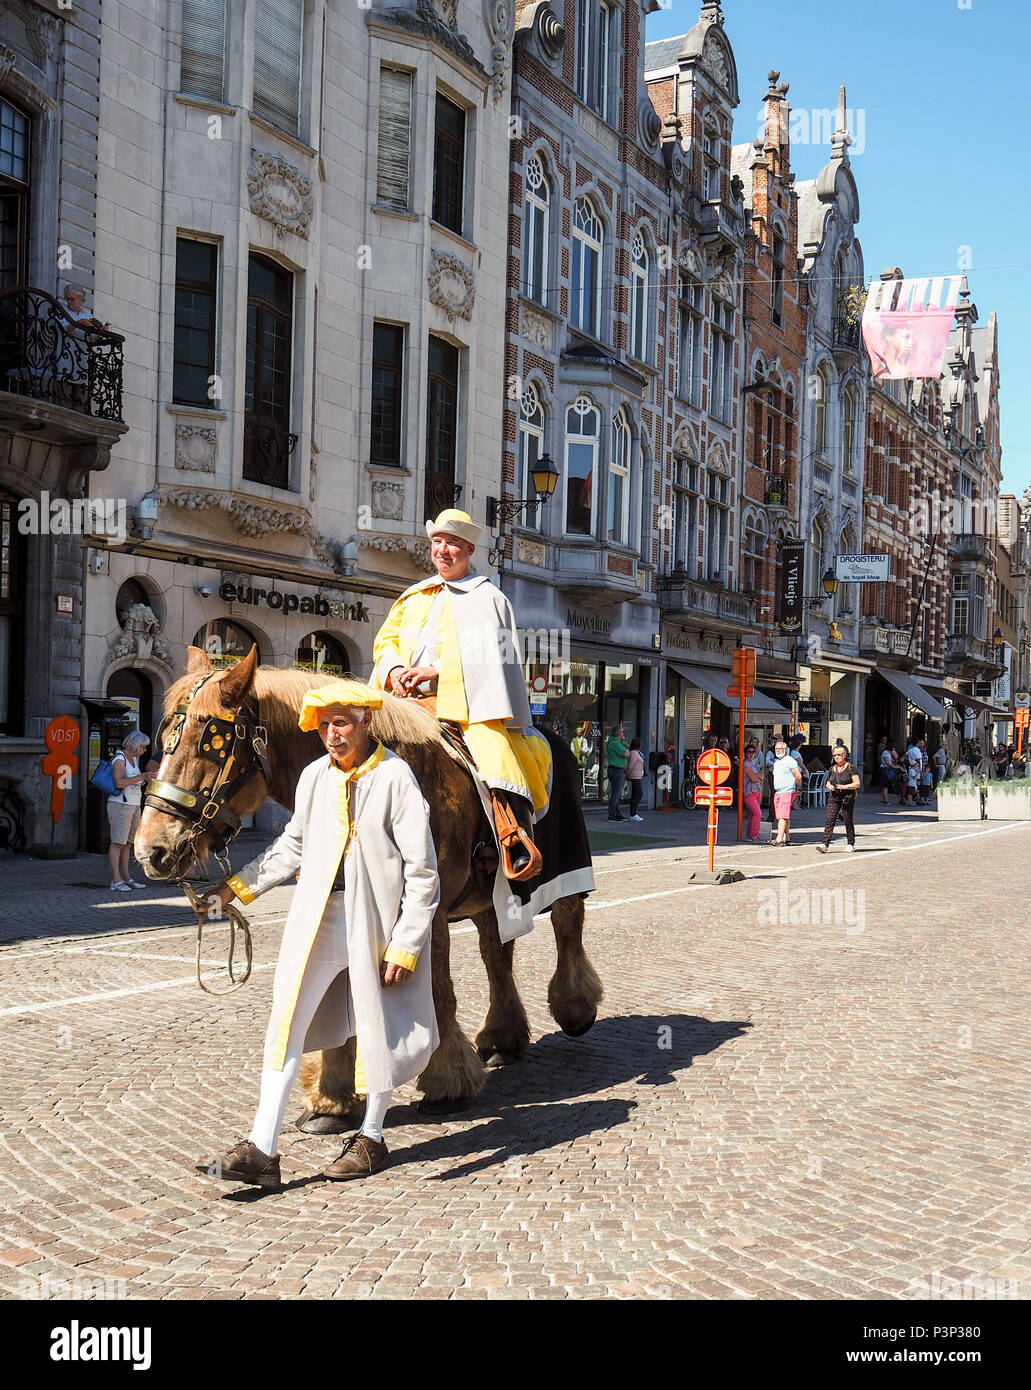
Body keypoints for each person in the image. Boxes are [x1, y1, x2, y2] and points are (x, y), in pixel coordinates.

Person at [195, 682, 439, 1188]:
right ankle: (263, 1147)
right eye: (324, 725)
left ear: (367, 721)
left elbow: (423, 872)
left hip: (377, 921)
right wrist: (234, 888)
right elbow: (292, 846)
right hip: (318, 917)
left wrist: (408, 942)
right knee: (285, 1021)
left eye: (341, 722)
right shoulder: (312, 776)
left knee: (378, 1024)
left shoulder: (396, 777)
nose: (332, 733)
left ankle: (372, 1137)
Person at [371, 510, 550, 880]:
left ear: (468, 549)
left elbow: (496, 658)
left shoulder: (489, 598)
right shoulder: (413, 596)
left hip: (464, 707)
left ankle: (510, 839)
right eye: (437, 542)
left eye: (452, 543)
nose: (443, 550)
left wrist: (437, 672)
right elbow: (386, 640)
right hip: (402, 703)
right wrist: (393, 671)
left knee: (497, 763)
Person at [107, 730, 153, 891]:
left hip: (133, 804)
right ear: (134, 745)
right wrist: (143, 777)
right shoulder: (120, 759)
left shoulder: (133, 759)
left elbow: (131, 782)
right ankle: (116, 880)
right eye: (143, 746)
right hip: (120, 804)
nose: (144, 750)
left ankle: (126, 877)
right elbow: (119, 783)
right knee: (118, 842)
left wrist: (143, 779)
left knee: (127, 843)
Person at [816, 745, 862, 852]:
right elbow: (828, 782)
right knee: (830, 819)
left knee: (847, 819)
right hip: (834, 796)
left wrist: (845, 787)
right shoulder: (832, 768)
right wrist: (829, 786)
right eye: (835, 755)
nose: (837, 757)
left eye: (839, 755)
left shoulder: (851, 767)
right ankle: (825, 844)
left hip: (847, 796)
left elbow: (857, 783)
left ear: (844, 756)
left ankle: (850, 843)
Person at [770, 736, 802, 846]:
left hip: (787, 791)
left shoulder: (789, 760)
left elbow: (798, 775)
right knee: (783, 815)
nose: (779, 751)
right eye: (777, 749)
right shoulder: (777, 762)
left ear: (786, 750)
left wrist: (797, 787)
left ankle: (779, 838)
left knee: (782, 816)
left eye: (781, 749)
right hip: (778, 791)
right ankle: (786, 837)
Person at [606, 724, 629, 821]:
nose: (623, 733)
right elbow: (626, 754)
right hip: (617, 770)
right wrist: (627, 750)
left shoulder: (613, 742)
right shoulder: (615, 743)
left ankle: (616, 812)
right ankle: (612, 814)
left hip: (615, 769)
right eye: (622, 731)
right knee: (616, 794)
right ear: (618, 733)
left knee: (616, 793)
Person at [742, 740, 763, 844]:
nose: (751, 754)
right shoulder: (746, 764)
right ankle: (754, 835)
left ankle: (750, 835)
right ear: (745, 753)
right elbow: (754, 778)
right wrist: (757, 777)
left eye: (753, 752)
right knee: (758, 813)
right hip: (749, 792)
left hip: (756, 791)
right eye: (749, 752)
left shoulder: (753, 763)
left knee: (753, 815)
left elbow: (761, 775)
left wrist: (757, 777)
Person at [626, 736, 645, 822]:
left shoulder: (638, 753)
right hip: (634, 776)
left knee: (636, 794)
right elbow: (630, 765)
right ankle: (633, 813)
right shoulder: (634, 753)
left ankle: (633, 813)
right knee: (639, 794)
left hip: (638, 776)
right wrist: (628, 775)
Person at [876, 738, 895, 805]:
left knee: (884, 785)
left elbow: (896, 757)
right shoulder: (885, 753)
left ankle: (883, 799)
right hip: (884, 769)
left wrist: (894, 752)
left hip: (886, 769)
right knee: (885, 785)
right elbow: (887, 763)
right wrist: (894, 766)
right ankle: (886, 800)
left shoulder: (890, 753)